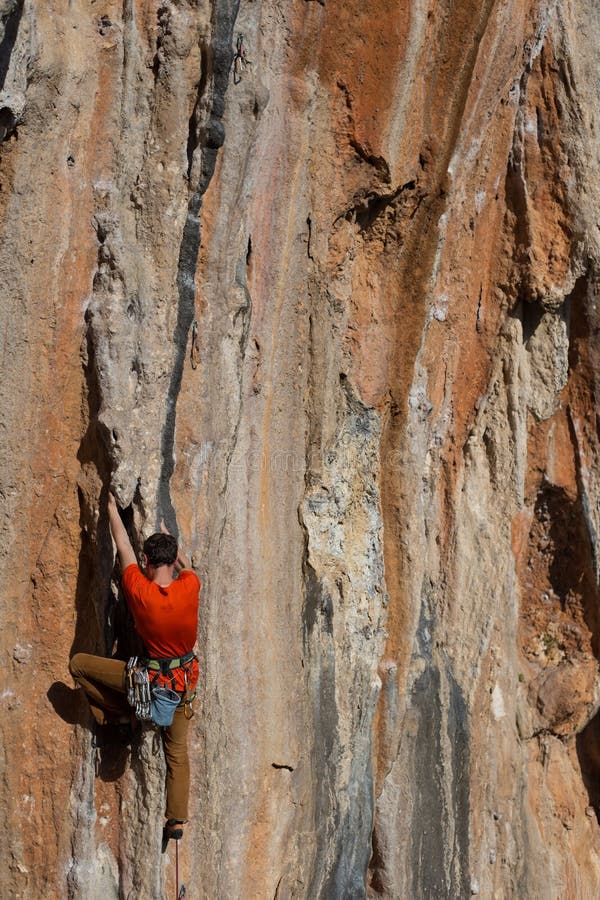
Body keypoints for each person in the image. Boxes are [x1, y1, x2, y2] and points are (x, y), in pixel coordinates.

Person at [69, 492, 200, 846]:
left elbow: (123, 545)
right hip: (183, 684)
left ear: (146, 561)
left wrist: (111, 509)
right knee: (177, 753)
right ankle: (175, 820)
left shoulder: (139, 592)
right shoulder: (191, 586)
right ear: (173, 561)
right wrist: (173, 544)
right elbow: (187, 567)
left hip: (147, 682)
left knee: (79, 665)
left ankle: (117, 715)